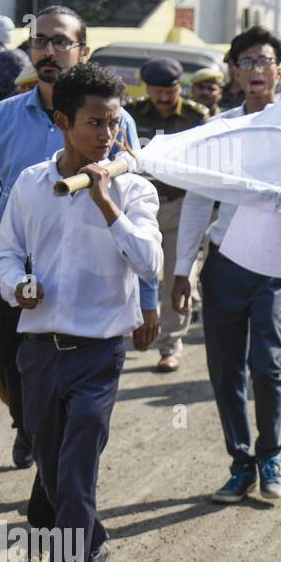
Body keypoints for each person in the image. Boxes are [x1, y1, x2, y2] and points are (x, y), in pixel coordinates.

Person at [0, 5, 154, 562]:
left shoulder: (113, 123)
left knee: (71, 444)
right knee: (31, 416)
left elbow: (136, 212)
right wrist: (0, 275)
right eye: (39, 43)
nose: (48, 51)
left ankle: (51, 554)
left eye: (61, 42)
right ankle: (84, 535)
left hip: (93, 319)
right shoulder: (2, 116)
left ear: (83, 51)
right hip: (15, 295)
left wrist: (149, 299)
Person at [173, 25, 281, 504]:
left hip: (273, 262)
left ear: (278, 71)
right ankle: (241, 463)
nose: (256, 70)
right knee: (226, 370)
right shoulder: (219, 129)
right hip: (225, 263)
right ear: (234, 73)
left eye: (264, 61)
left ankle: (272, 456)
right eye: (246, 62)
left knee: (267, 366)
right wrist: (185, 269)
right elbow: (199, 202)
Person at [125, 57, 209, 373]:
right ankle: (132, 326)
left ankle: (171, 342)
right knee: (132, 271)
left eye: (169, 92)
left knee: (179, 273)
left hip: (180, 205)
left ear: (179, 88)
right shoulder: (131, 114)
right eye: (156, 91)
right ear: (148, 89)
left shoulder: (196, 117)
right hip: (138, 205)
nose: (162, 98)